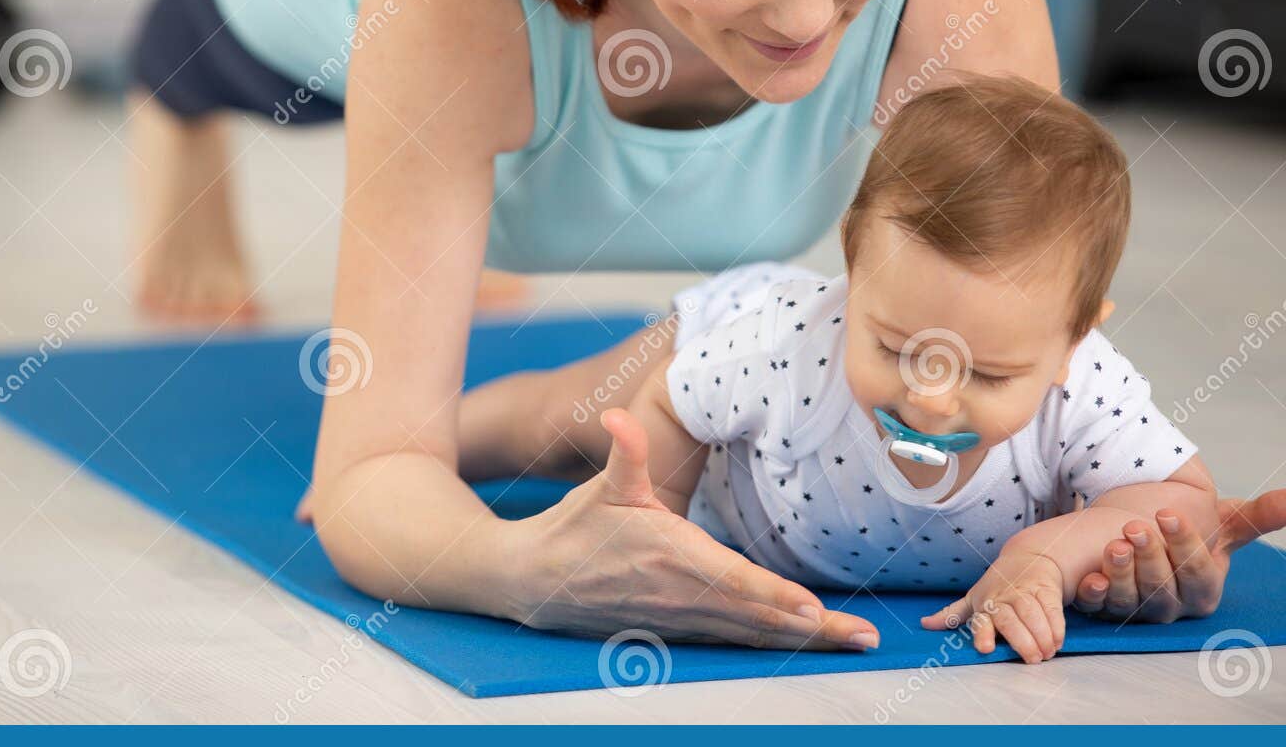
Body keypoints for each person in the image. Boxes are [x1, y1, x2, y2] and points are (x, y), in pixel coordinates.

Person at [131, 0, 1285, 646]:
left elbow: (1030, 336)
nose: (801, 14)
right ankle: (167, 89)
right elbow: (365, 477)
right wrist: (531, 571)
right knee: (239, 62)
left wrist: (1124, 532)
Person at [468, 74, 1221, 661]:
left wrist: (1050, 556)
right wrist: (656, 524)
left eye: (987, 376)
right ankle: (408, 435)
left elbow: (1181, 502)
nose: (929, 403)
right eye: (894, 349)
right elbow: (669, 402)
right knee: (560, 427)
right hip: (731, 397)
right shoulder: (783, 344)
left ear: (1073, 341)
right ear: (853, 270)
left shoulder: (1085, 384)